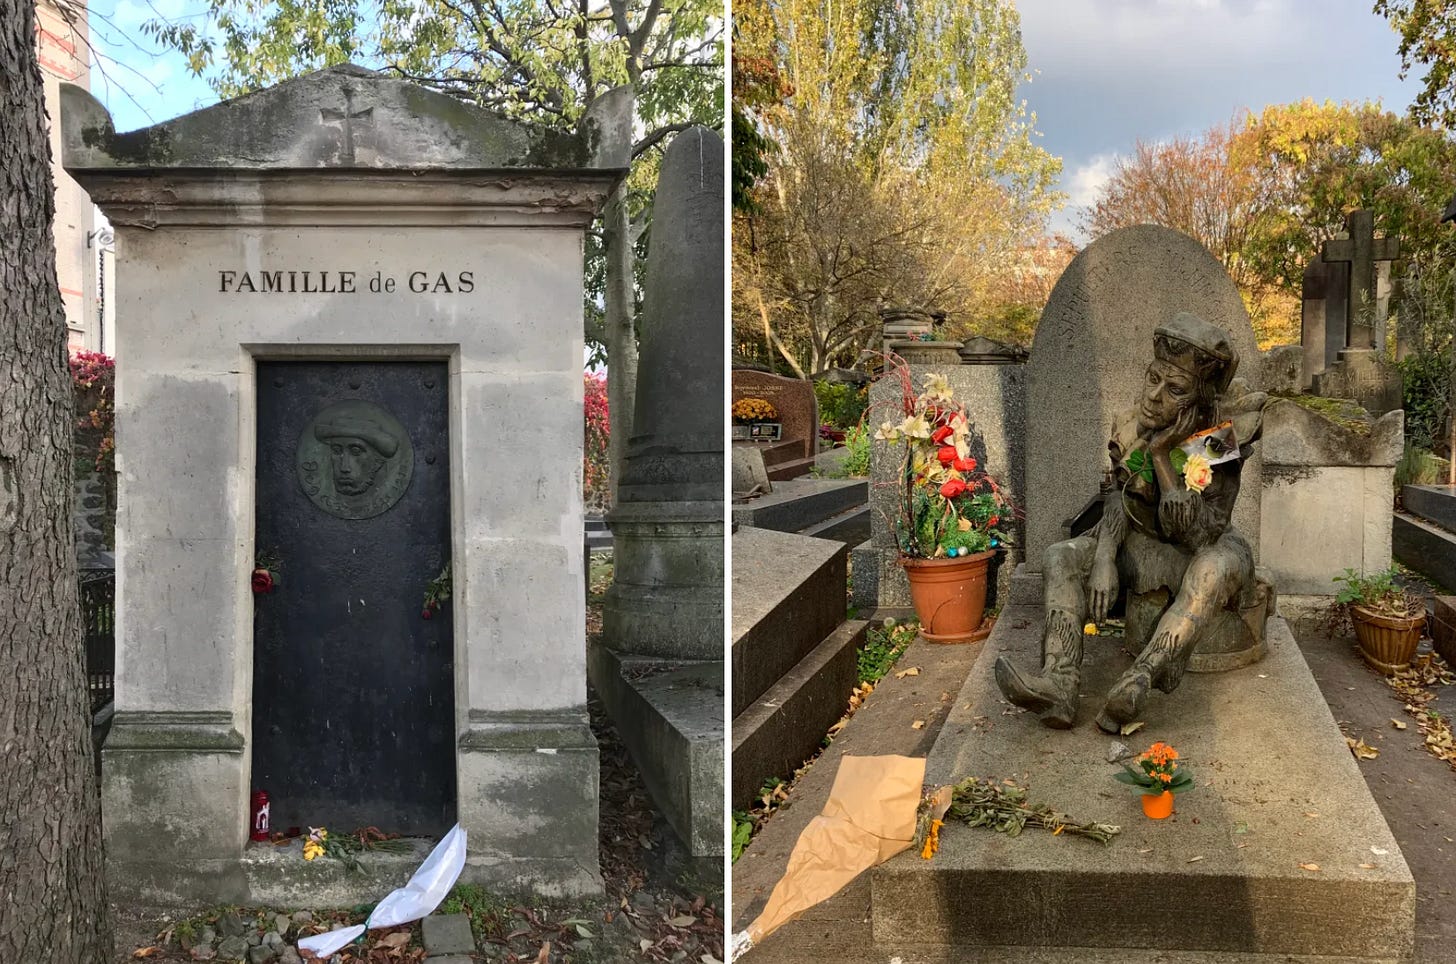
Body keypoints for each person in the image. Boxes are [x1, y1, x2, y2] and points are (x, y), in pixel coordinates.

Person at [995, 311, 1265, 732]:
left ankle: (1141, 678)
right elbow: (1119, 498)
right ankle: (1059, 683)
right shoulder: (1131, 424)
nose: (1154, 396)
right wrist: (1104, 556)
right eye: (1153, 378)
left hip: (1204, 546)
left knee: (1211, 571)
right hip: (1142, 537)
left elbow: (1195, 535)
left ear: (1198, 400)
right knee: (1060, 557)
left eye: (1174, 389)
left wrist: (1161, 456)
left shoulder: (1219, 442)